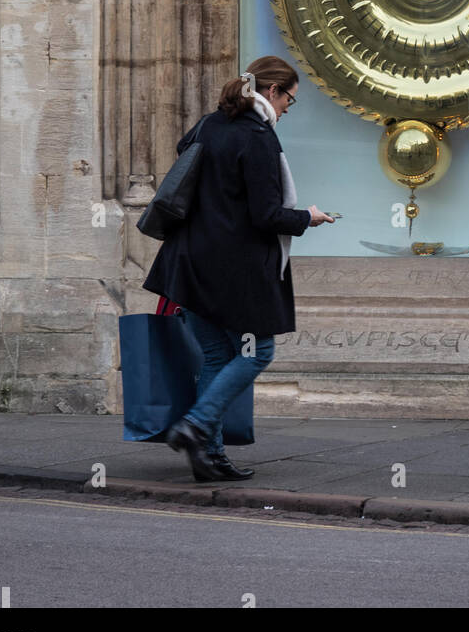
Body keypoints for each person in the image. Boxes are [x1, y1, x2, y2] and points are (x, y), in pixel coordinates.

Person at [143, 55, 334, 482]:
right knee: (256, 352)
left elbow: (184, 154)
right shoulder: (258, 137)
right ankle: (195, 425)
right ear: (272, 92)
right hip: (232, 270)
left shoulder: (212, 124)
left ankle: (208, 457)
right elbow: (266, 215)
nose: (288, 108)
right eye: (290, 99)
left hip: (189, 263)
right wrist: (308, 217)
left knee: (217, 354)